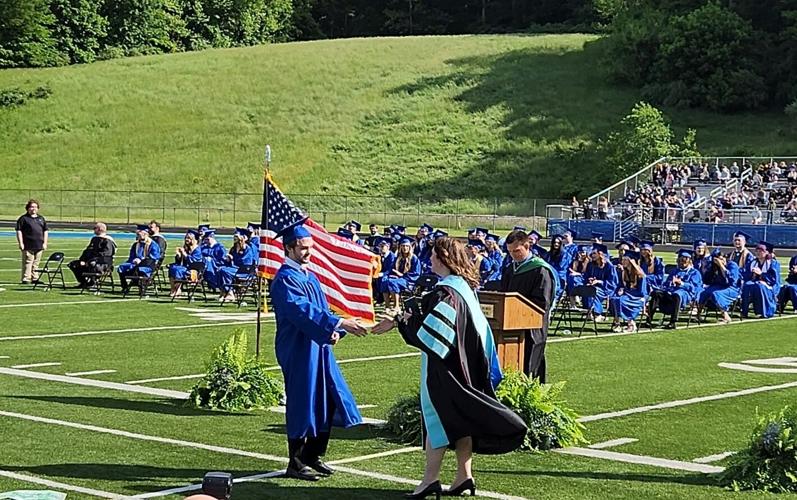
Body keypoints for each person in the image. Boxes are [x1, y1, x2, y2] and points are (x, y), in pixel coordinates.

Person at [371, 237, 527, 498]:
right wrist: (402, 318)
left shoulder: (447, 293)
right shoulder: (462, 287)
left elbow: (434, 336)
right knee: (462, 420)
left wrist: (402, 324)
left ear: (443, 258)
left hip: (447, 369)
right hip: (469, 366)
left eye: (433, 256)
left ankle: (430, 480)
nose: (429, 259)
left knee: (437, 420)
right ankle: (464, 477)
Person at [269, 219, 368, 481]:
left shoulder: (309, 277)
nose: (309, 252)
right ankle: (296, 461)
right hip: (299, 349)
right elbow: (301, 312)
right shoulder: (284, 280)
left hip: (319, 346)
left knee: (326, 400)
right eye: (303, 248)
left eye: (310, 246)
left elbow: (321, 312)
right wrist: (335, 323)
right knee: (303, 401)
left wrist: (336, 329)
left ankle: (313, 455)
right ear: (289, 249)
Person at [499, 229, 557, 381]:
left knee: (530, 365)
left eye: (517, 251)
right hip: (510, 327)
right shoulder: (509, 269)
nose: (513, 255)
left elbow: (542, 303)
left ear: (527, 246)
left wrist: (520, 311)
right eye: (510, 251)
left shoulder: (540, 270)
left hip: (532, 328)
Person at [646, 250, 703, 329]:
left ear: (690, 261)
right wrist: (670, 284)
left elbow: (694, 288)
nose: (682, 262)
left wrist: (681, 283)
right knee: (657, 293)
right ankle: (648, 320)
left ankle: (673, 322)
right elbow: (665, 284)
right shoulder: (674, 271)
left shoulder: (694, 273)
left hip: (685, 294)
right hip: (670, 292)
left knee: (677, 294)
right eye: (680, 260)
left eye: (685, 260)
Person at [68, 222, 117, 288]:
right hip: (90, 261)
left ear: (100, 229)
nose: (93, 230)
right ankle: (83, 282)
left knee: (92, 264)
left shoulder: (107, 240)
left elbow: (106, 254)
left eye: (95, 228)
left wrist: (89, 261)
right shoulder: (94, 239)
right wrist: (82, 260)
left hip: (102, 264)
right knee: (73, 264)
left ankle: (93, 282)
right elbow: (88, 251)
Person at [608, 251, 647, 333]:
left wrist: (626, 292)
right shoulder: (623, 272)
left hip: (638, 298)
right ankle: (617, 323)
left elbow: (642, 292)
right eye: (623, 259)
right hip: (627, 296)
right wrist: (620, 290)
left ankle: (631, 323)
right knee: (614, 299)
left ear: (631, 261)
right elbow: (619, 286)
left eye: (626, 260)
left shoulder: (640, 275)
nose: (623, 262)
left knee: (620, 300)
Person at [380, 236, 421, 313]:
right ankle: (387, 307)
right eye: (403, 246)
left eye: (406, 246)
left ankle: (397, 307)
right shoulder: (398, 257)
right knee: (384, 281)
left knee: (393, 282)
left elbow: (416, 273)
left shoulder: (414, 258)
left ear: (409, 247)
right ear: (400, 247)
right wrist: (388, 275)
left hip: (408, 280)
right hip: (397, 278)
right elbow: (392, 269)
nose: (405, 248)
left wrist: (402, 275)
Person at [698, 249, 740, 324]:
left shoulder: (732, 265)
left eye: (721, 259)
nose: (720, 261)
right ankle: (698, 314)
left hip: (732, 288)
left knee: (716, 294)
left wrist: (721, 266)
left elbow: (732, 280)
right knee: (704, 293)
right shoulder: (713, 266)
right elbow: (707, 280)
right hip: (718, 286)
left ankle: (726, 317)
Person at [118, 224, 162, 293]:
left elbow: (154, 257)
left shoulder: (153, 245)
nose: (137, 235)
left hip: (147, 265)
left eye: (139, 234)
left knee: (140, 269)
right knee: (121, 267)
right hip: (134, 264)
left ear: (145, 234)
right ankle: (125, 287)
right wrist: (133, 260)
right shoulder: (136, 244)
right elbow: (131, 256)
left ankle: (142, 287)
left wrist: (141, 260)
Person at [741, 241, 781, 319]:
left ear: (767, 252)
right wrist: (752, 275)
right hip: (756, 283)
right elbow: (746, 275)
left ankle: (764, 312)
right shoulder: (753, 262)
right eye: (757, 251)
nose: (758, 253)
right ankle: (744, 311)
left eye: (761, 251)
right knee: (747, 285)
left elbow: (774, 279)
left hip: (771, 285)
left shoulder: (773, 263)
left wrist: (761, 274)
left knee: (760, 286)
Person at [218, 227, 258, 303]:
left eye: (236, 237)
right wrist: (228, 259)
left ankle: (230, 293)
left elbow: (246, 263)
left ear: (242, 238)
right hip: (234, 269)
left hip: (244, 271)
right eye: (234, 237)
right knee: (220, 269)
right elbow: (229, 261)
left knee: (224, 271)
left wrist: (232, 260)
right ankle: (224, 292)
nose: (235, 239)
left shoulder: (247, 249)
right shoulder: (233, 249)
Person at [15, 199, 48, 284]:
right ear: (28, 208)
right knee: (28, 262)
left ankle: (35, 278)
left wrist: (45, 243)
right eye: (31, 207)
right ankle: (26, 278)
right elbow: (19, 231)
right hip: (28, 244)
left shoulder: (41, 219)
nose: (33, 209)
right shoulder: (23, 219)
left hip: (39, 244)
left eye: (35, 207)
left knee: (36, 263)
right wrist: (21, 243)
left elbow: (45, 231)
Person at [582, 244, 618, 322]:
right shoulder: (591, 265)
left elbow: (613, 282)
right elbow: (586, 276)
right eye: (592, 253)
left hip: (606, 288)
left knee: (594, 290)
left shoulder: (609, 266)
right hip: (594, 287)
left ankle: (598, 314)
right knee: (587, 289)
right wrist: (590, 280)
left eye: (594, 253)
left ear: (600, 254)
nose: (592, 255)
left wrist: (599, 281)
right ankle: (590, 312)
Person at [168, 229, 203, 298]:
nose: (187, 240)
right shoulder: (186, 248)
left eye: (189, 238)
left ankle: (177, 289)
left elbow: (193, 262)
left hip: (193, 271)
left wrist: (184, 254)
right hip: (184, 268)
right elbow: (179, 261)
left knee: (178, 270)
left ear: (194, 240)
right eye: (186, 238)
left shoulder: (198, 250)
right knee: (172, 268)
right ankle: (173, 289)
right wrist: (179, 256)